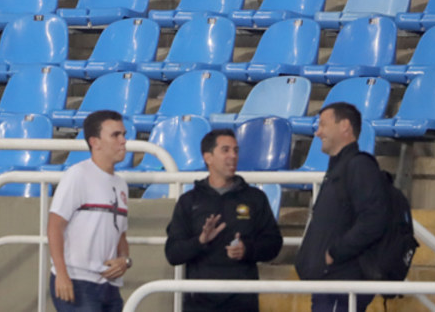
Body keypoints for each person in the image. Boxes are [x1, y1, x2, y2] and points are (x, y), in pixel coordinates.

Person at [164, 129, 283, 312]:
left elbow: (273, 244)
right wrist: (200, 241)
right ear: (208, 157)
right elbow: (173, 253)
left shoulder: (255, 198)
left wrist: (247, 249)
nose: (233, 156)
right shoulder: (189, 201)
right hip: (200, 302)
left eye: (236, 150)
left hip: (243, 300)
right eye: (225, 150)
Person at [295, 103, 389, 312]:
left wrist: (335, 253)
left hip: (343, 282)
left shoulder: (359, 166)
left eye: (323, 125)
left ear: (345, 126)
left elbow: (373, 220)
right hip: (330, 282)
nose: (317, 132)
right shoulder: (339, 169)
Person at [47, 110, 132, 311]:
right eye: (115, 135)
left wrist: (125, 261)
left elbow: (120, 235)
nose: (123, 141)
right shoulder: (77, 175)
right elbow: (54, 226)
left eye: (123, 134)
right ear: (95, 142)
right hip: (78, 279)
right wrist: (62, 274)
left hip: (108, 284)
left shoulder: (121, 184)